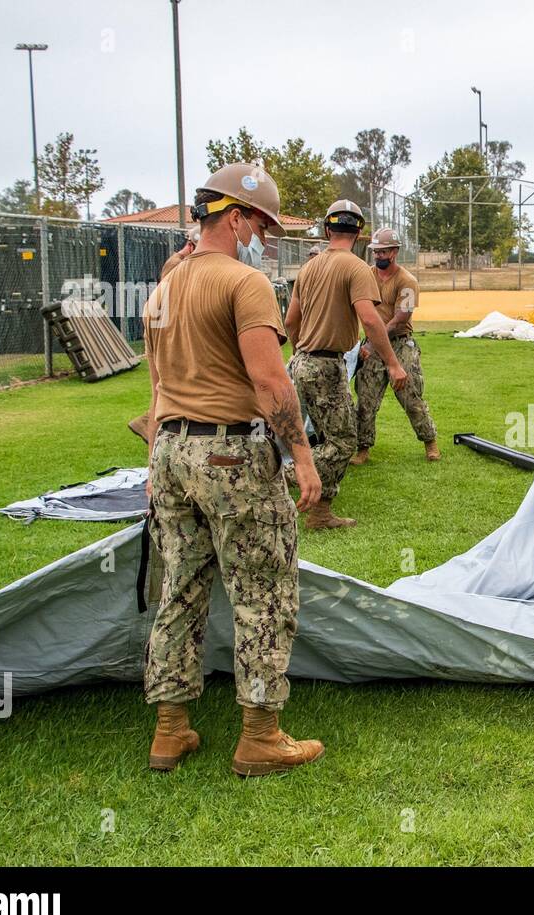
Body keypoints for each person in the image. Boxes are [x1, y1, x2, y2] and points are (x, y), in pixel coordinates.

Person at [141, 163, 325, 777]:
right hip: (230, 454)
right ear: (237, 215)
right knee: (264, 590)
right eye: (262, 223)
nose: (265, 237)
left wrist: (154, 460)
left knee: (180, 591)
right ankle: (260, 736)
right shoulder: (245, 283)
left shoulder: (165, 285)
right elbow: (271, 381)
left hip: (171, 451)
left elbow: (158, 382)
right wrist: (302, 455)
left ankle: (170, 730)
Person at [283, 200, 407, 529]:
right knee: (343, 442)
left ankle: (321, 513)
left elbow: (290, 320)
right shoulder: (355, 269)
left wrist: (300, 352)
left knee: (328, 436)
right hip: (326, 366)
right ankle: (279, 476)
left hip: (302, 362)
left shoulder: (308, 269)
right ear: (360, 232)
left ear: (327, 230)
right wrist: (394, 364)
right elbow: (371, 320)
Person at [351, 228, 439, 465]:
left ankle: (429, 441)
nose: (379, 256)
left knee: (410, 395)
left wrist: (372, 341)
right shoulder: (365, 276)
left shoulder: (407, 281)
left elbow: (401, 317)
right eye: (376, 251)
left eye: (384, 251)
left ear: (395, 252)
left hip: (400, 342)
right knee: (365, 399)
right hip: (370, 344)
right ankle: (363, 448)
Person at [128, 227, 203, 441]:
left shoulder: (179, 261)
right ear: (191, 246)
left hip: (168, 327)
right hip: (172, 328)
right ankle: (150, 427)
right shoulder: (179, 264)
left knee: (163, 392)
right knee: (165, 392)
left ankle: (150, 430)